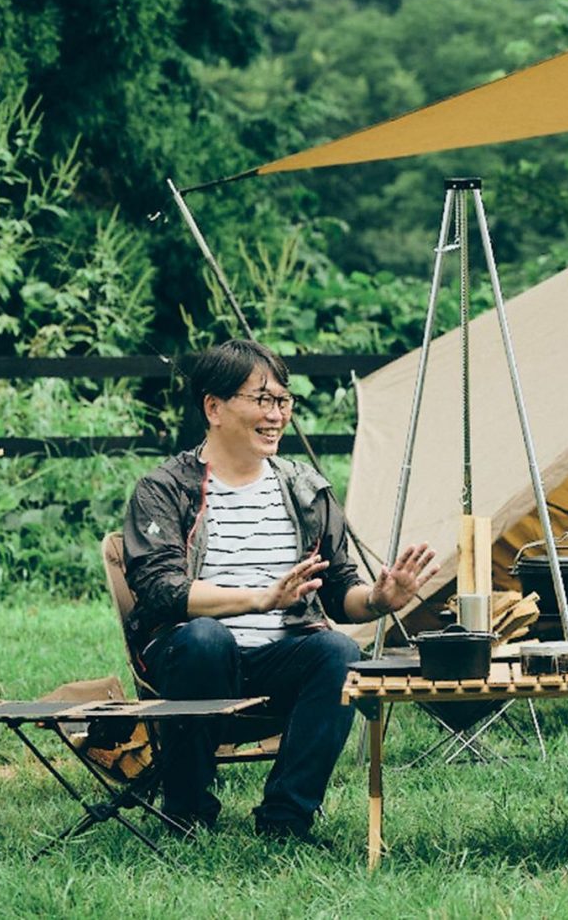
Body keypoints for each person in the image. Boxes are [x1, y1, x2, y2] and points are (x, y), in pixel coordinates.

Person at [119, 339, 436, 842]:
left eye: (283, 401)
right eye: (262, 400)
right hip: (192, 662)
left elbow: (338, 592)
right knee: (207, 638)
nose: (276, 415)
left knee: (337, 649)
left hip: (278, 662)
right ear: (214, 407)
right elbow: (161, 591)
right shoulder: (165, 489)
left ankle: (287, 818)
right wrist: (260, 598)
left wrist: (377, 599)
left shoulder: (305, 490)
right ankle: (187, 808)